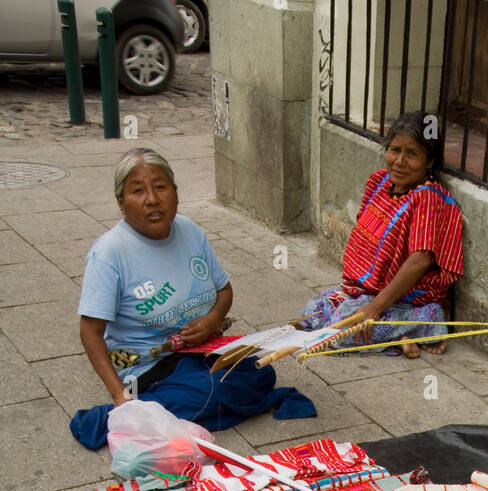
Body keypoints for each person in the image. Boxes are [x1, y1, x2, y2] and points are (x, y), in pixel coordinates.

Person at [72, 148, 315, 451]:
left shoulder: (189, 230)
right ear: (121, 203)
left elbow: (224, 291)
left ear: (175, 192)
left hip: (203, 352)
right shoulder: (109, 254)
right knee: (213, 392)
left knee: (262, 372)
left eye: (161, 187)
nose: (152, 199)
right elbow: (90, 333)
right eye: (138, 191)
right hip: (150, 367)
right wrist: (120, 395)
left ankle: (162, 413)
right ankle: (123, 413)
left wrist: (212, 320)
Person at [299, 112, 463, 356]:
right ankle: (401, 336)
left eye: (412, 154)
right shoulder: (379, 182)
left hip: (406, 296)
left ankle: (427, 320)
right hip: (370, 290)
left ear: (429, 161)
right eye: (395, 150)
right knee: (312, 314)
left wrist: (374, 308)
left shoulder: (426, 197)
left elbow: (421, 259)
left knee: (336, 337)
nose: (399, 161)